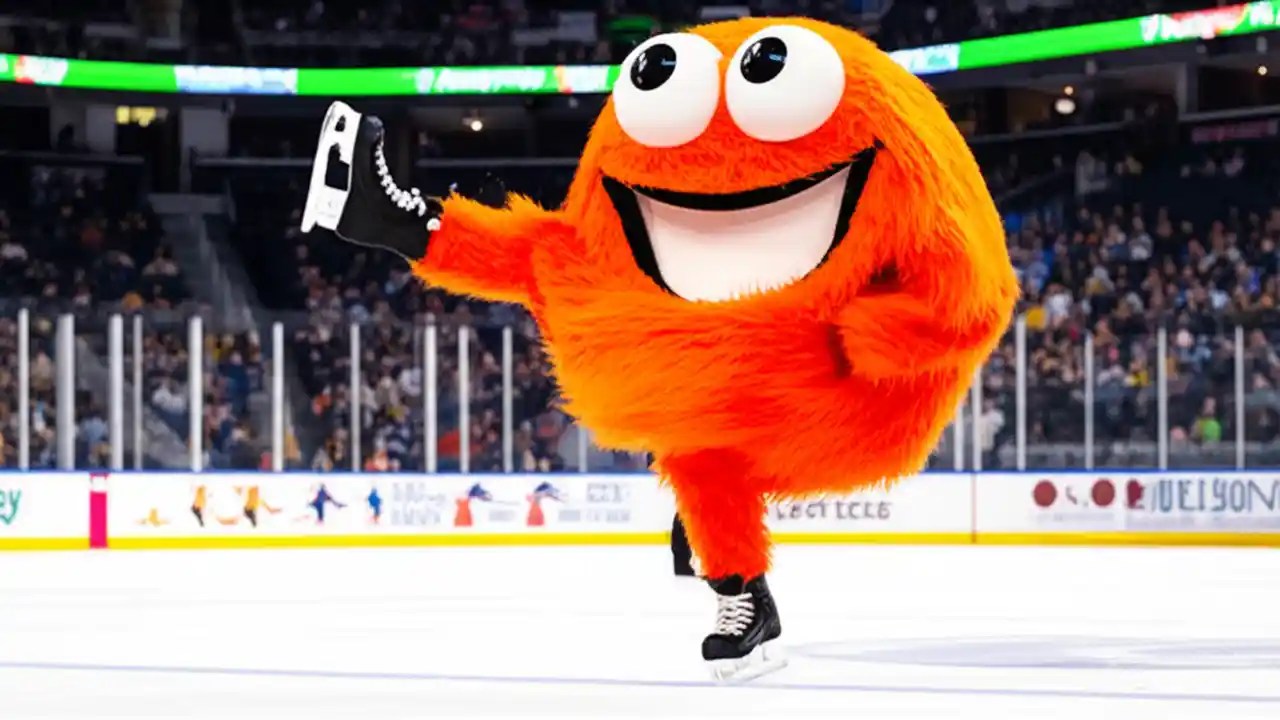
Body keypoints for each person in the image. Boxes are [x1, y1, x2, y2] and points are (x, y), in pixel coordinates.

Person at [302, 18, 1016, 681]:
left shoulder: (895, 167)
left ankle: (735, 573)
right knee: (688, 439)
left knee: (693, 434)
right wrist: (413, 234)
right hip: (709, 393)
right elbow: (559, 255)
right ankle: (741, 594)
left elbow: (965, 279)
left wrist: (902, 330)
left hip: (839, 387)